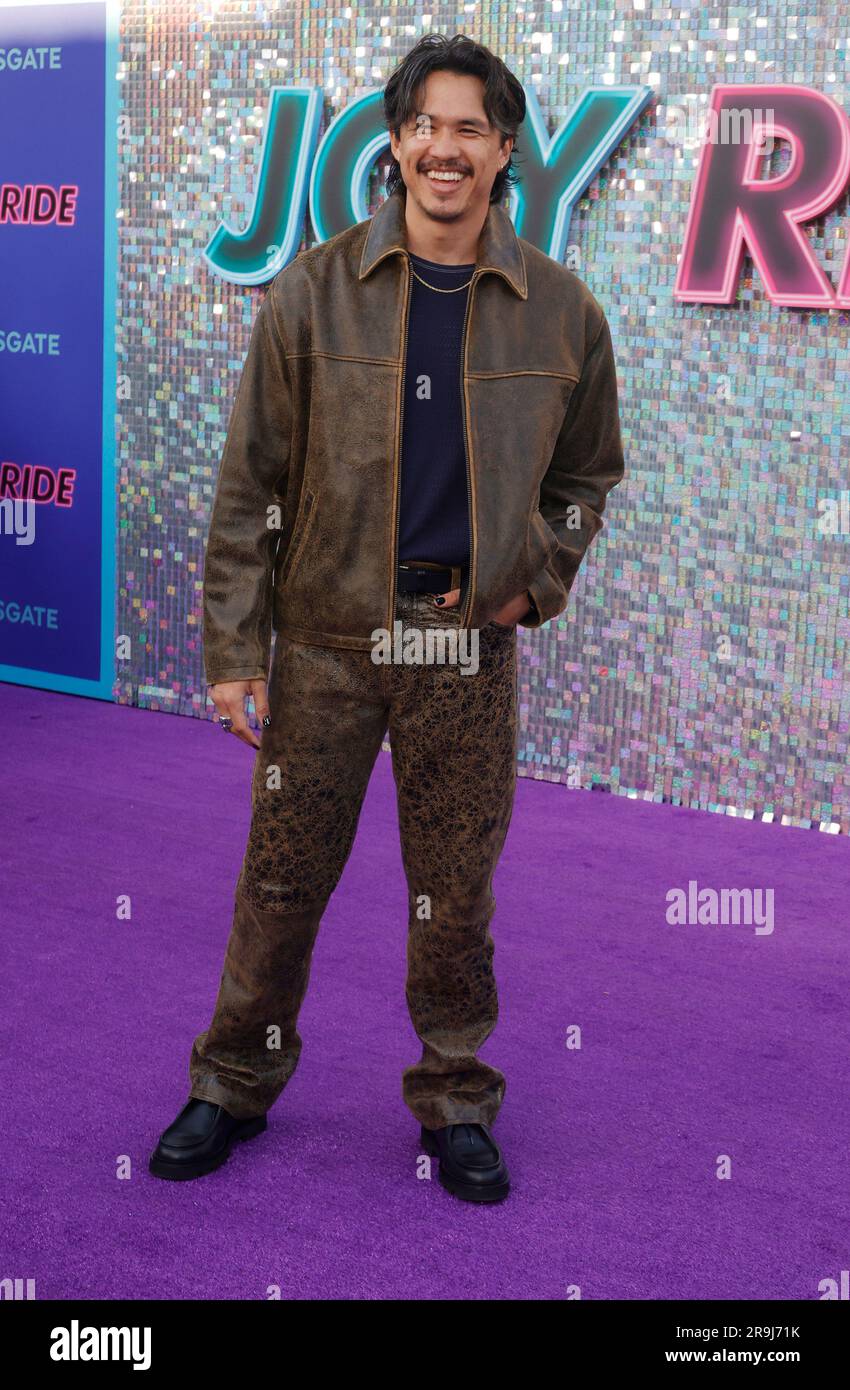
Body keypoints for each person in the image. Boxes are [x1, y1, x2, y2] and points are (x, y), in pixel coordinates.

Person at [149, 32, 625, 1202]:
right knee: (280, 881)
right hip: (323, 648)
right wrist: (230, 652)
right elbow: (246, 485)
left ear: (506, 149)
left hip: (462, 654)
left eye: (470, 127)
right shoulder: (312, 292)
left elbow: (587, 480)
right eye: (424, 124)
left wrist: (535, 581)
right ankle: (230, 1083)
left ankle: (456, 1099)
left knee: (454, 897)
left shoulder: (561, 312)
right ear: (395, 142)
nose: (444, 148)